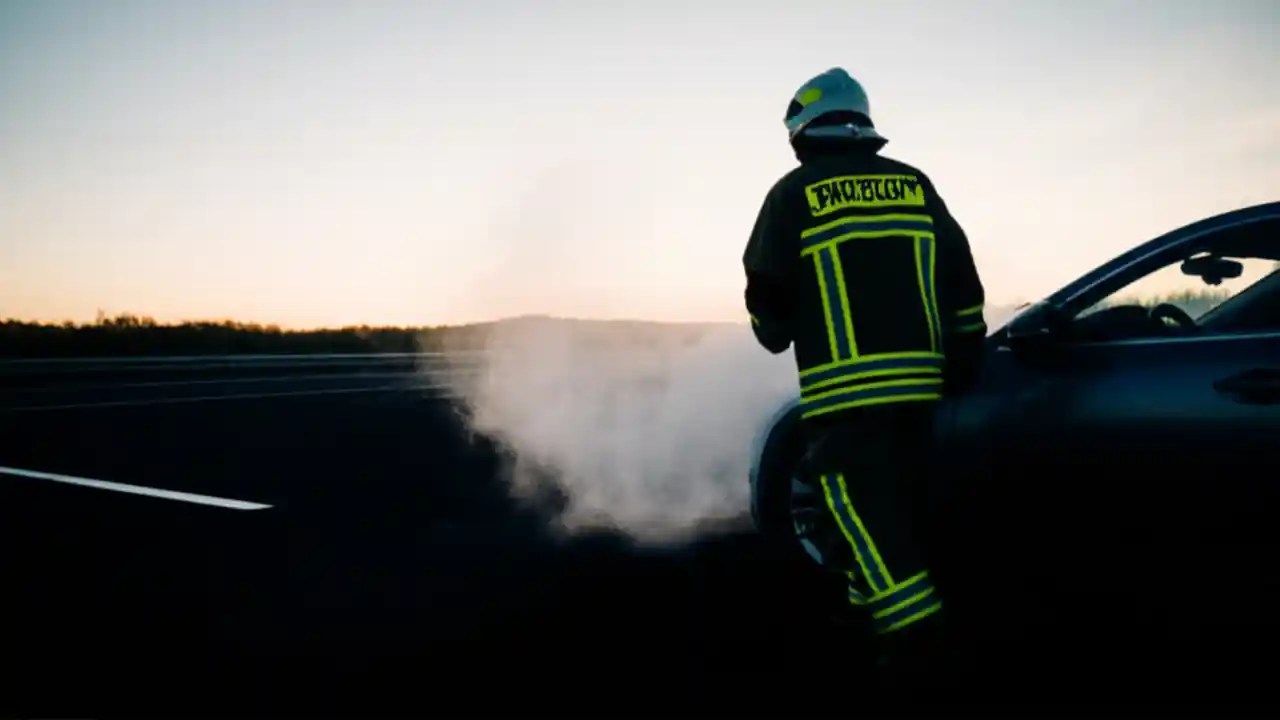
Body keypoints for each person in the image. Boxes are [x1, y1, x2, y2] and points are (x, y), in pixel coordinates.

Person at [742, 67, 987, 689]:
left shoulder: (793, 195)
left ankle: (917, 645)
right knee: (896, 515)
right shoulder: (914, 185)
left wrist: (773, 328)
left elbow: (767, 295)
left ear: (801, 132)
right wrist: (963, 353)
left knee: (855, 516)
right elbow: (961, 279)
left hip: (847, 401)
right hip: (925, 392)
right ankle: (861, 621)